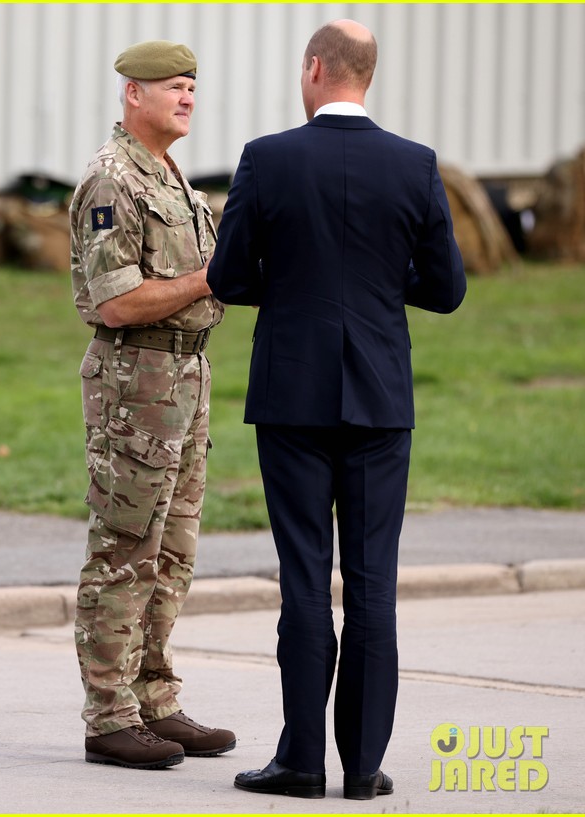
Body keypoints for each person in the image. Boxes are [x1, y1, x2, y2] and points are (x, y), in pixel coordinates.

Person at [207, 20, 466, 801]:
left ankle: (299, 760)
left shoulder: (268, 157)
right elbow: (447, 288)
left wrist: (285, 287)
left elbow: (227, 275)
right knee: (373, 583)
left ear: (314, 69)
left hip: (292, 393)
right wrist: (383, 292)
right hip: (381, 398)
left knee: (304, 581)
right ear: (369, 75)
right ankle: (362, 766)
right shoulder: (415, 164)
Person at [68, 39, 236, 771]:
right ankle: (109, 714)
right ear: (133, 94)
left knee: (172, 551)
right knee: (125, 548)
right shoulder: (113, 182)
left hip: (184, 380)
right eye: (174, 86)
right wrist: (209, 278)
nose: (188, 97)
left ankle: (155, 700)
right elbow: (117, 301)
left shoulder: (175, 181)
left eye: (193, 86)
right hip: (135, 383)